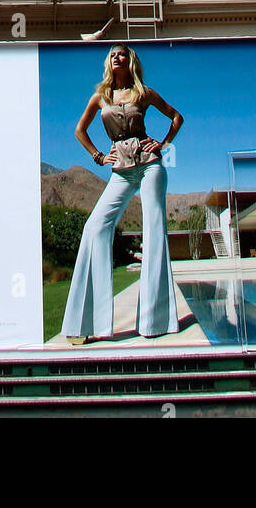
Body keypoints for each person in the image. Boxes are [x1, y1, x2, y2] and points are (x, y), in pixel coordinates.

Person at [62, 44, 183, 343]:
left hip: (150, 165)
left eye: (124, 54)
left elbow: (176, 116)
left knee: (154, 232)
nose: (118, 57)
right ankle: (89, 325)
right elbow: (80, 130)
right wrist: (98, 156)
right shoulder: (100, 97)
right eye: (114, 54)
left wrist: (164, 144)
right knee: (94, 228)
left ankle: (155, 323)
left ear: (131, 61)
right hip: (120, 170)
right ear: (109, 62)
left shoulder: (144, 93)